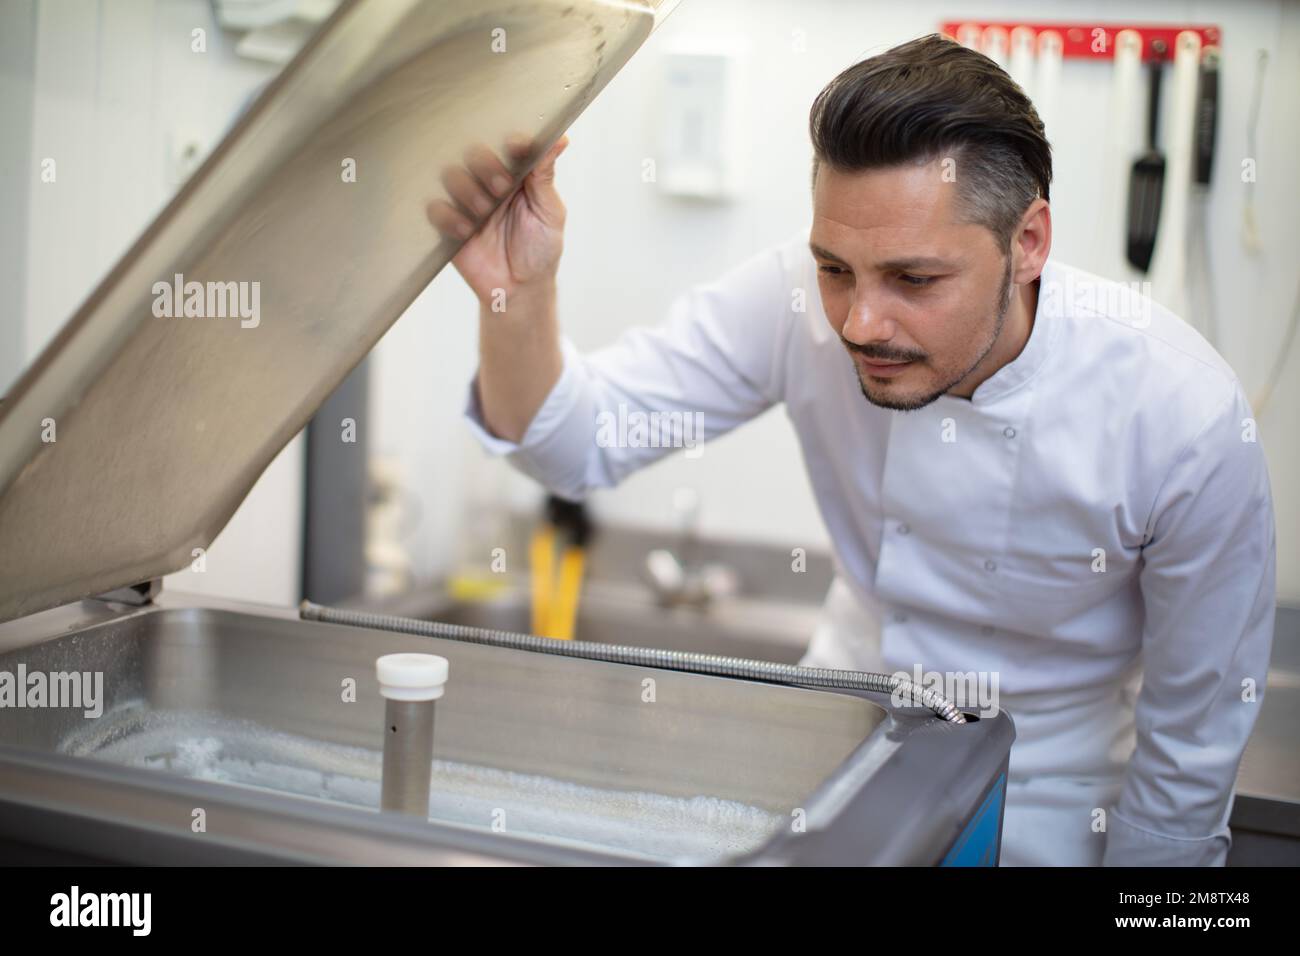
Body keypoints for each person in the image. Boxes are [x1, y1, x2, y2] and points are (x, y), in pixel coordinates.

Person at [427, 33, 1276, 866]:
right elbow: (572, 449)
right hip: (828, 773)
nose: (860, 324)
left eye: (914, 280)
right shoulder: (793, 303)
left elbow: (1193, 743)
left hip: (1051, 813)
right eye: (836, 267)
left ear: (1028, 244)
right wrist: (518, 294)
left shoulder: (1181, 414)